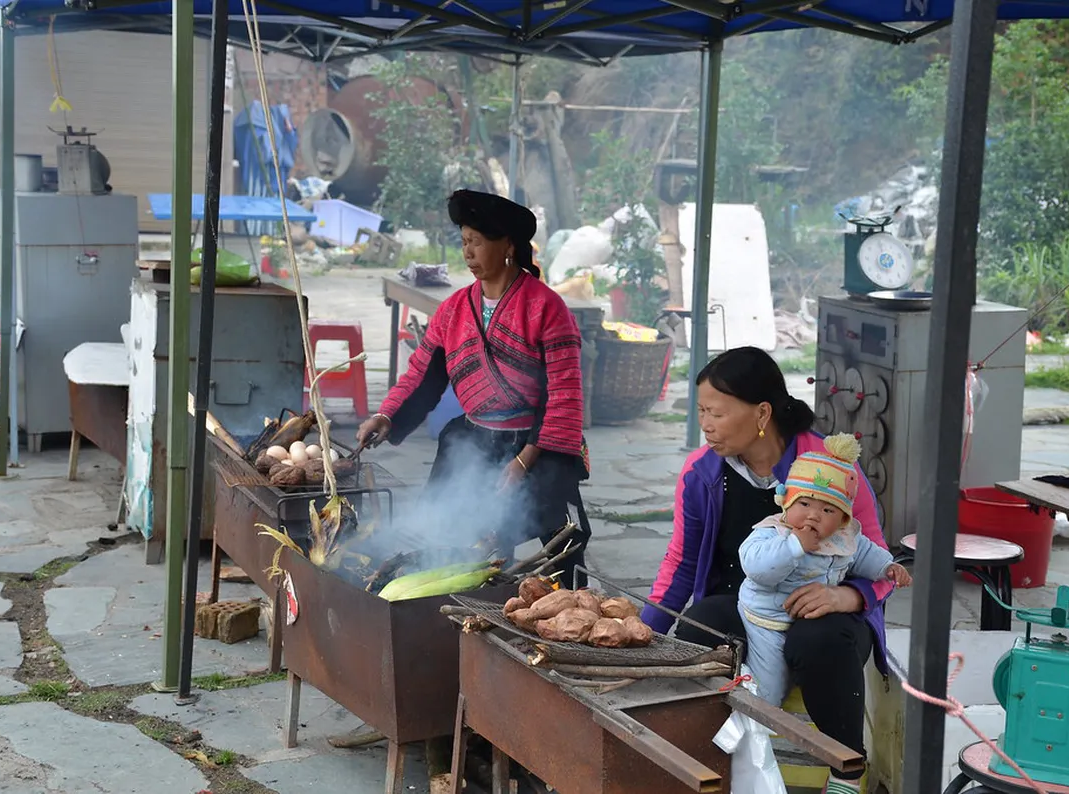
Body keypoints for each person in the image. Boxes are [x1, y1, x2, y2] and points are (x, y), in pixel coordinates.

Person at [640, 346, 894, 794]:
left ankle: (846, 770)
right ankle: (708, 756)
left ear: (761, 412)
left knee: (820, 638)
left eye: (716, 412)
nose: (706, 424)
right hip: (746, 612)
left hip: (822, 618)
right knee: (701, 625)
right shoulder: (703, 472)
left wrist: (849, 597)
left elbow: (878, 561)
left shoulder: (828, 470)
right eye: (701, 411)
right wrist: (641, 642)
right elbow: (681, 564)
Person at [356, 189, 591, 575]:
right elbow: (422, 374)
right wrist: (387, 415)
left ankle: (566, 608)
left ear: (508, 245)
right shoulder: (454, 309)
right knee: (457, 539)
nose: (467, 252)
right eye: (464, 241)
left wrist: (522, 460)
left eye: (477, 242)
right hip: (475, 439)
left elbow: (563, 394)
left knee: (560, 544)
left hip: (538, 444)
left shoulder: (547, 308)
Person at [739, 432, 911, 710]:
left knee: (816, 655)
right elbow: (759, 569)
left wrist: (888, 567)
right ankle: (750, 711)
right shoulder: (773, 533)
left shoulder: (842, 538)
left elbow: (865, 554)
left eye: (828, 510)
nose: (813, 515)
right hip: (765, 620)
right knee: (770, 691)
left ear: (843, 519)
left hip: (808, 623)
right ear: (786, 502)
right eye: (804, 504)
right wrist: (794, 547)